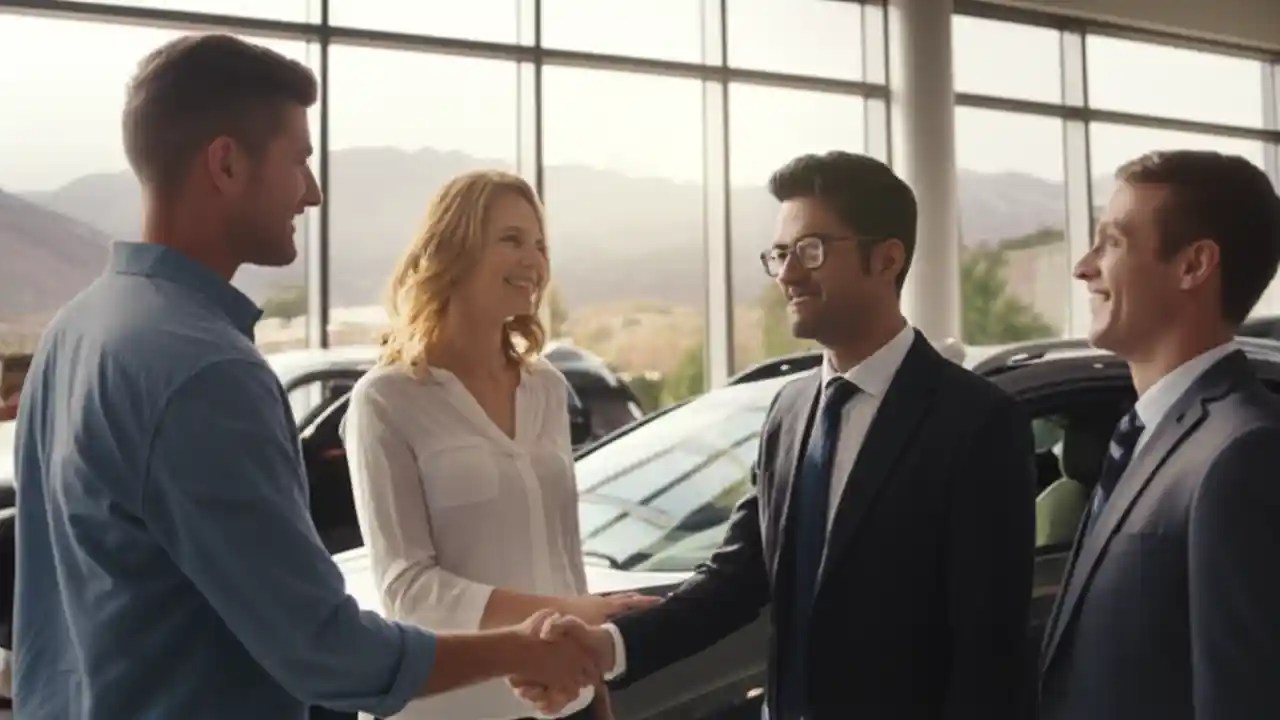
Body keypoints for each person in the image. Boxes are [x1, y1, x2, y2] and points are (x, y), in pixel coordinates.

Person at [11, 34, 602, 720]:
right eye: (300, 162)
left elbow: (45, 611)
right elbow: (327, 650)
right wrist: (525, 650)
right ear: (226, 164)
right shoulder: (208, 370)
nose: (312, 193)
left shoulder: (75, 330)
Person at [517, 151, 1038, 719]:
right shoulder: (789, 413)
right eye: (781, 253)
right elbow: (737, 580)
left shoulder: (977, 422)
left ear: (887, 259)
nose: (788, 273)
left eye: (812, 250)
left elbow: (989, 654)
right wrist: (609, 646)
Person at [343, 170, 657, 720]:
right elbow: (408, 587)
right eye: (511, 240)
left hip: (565, 701)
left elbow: (564, 551)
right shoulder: (386, 400)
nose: (534, 262)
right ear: (452, 249)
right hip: (452, 709)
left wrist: (595, 685)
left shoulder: (546, 388)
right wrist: (569, 611)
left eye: (540, 245)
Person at [1038, 150, 1280, 719]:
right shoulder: (1146, 434)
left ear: (1194, 265)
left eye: (1112, 242)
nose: (1083, 267)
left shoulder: (1241, 452)